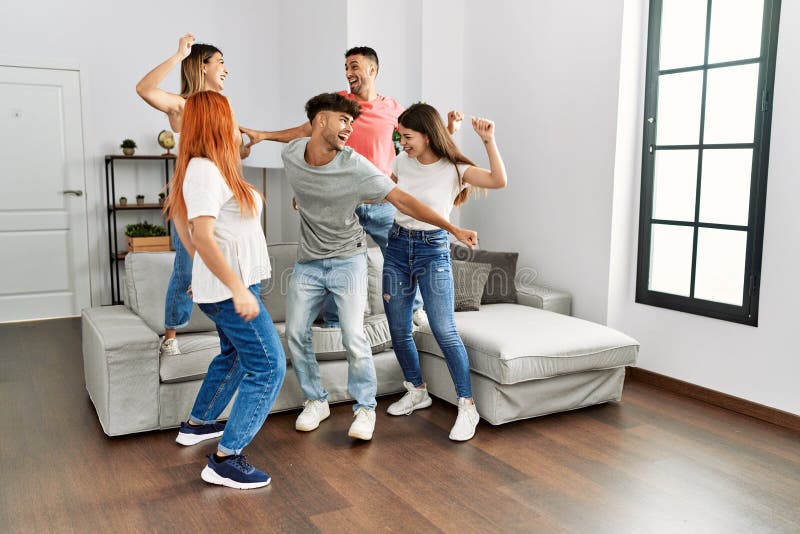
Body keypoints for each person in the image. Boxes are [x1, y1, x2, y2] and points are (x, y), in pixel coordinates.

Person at [282, 93, 476, 441]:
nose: (350, 128)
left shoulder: (356, 164)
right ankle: (316, 400)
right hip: (308, 261)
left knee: (355, 335)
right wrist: (259, 138)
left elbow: (402, 199)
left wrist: (452, 228)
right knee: (295, 333)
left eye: (352, 122)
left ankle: (366, 408)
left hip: (350, 258)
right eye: (344, 120)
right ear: (321, 120)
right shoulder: (292, 154)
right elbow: (297, 151)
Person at [241, 46, 462, 327]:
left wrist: (449, 130)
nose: (348, 73)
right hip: (343, 202)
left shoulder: (392, 109)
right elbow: (305, 132)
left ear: (372, 69)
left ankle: (416, 308)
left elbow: (421, 136)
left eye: (354, 66)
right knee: (336, 259)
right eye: (346, 67)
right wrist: (264, 135)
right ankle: (334, 322)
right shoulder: (340, 107)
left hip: (381, 201)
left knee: (401, 256)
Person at [163, 91, 286, 489]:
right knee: (269, 366)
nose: (236, 126)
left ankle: (199, 424)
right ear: (216, 123)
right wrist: (236, 288)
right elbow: (199, 235)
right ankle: (225, 459)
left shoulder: (211, 167)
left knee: (234, 356)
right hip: (229, 289)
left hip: (227, 285)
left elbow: (183, 225)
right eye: (230, 119)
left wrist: (211, 275)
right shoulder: (202, 170)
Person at [382, 103, 508, 441]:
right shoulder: (401, 161)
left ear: (426, 135)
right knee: (398, 329)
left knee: (443, 329)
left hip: (432, 250)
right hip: (397, 246)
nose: (402, 142)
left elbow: (498, 180)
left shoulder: (454, 169)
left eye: (407, 136)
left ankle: (467, 406)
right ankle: (416, 390)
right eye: (400, 136)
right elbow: (387, 193)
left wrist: (488, 140)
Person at [136, 34, 249, 357]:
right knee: (187, 269)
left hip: (224, 197)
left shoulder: (225, 107)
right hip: (193, 196)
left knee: (225, 265)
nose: (226, 69)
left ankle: (230, 335)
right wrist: (178, 55)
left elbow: (233, 154)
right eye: (220, 62)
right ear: (202, 66)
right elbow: (144, 89)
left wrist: (245, 150)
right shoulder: (182, 106)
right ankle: (171, 334)